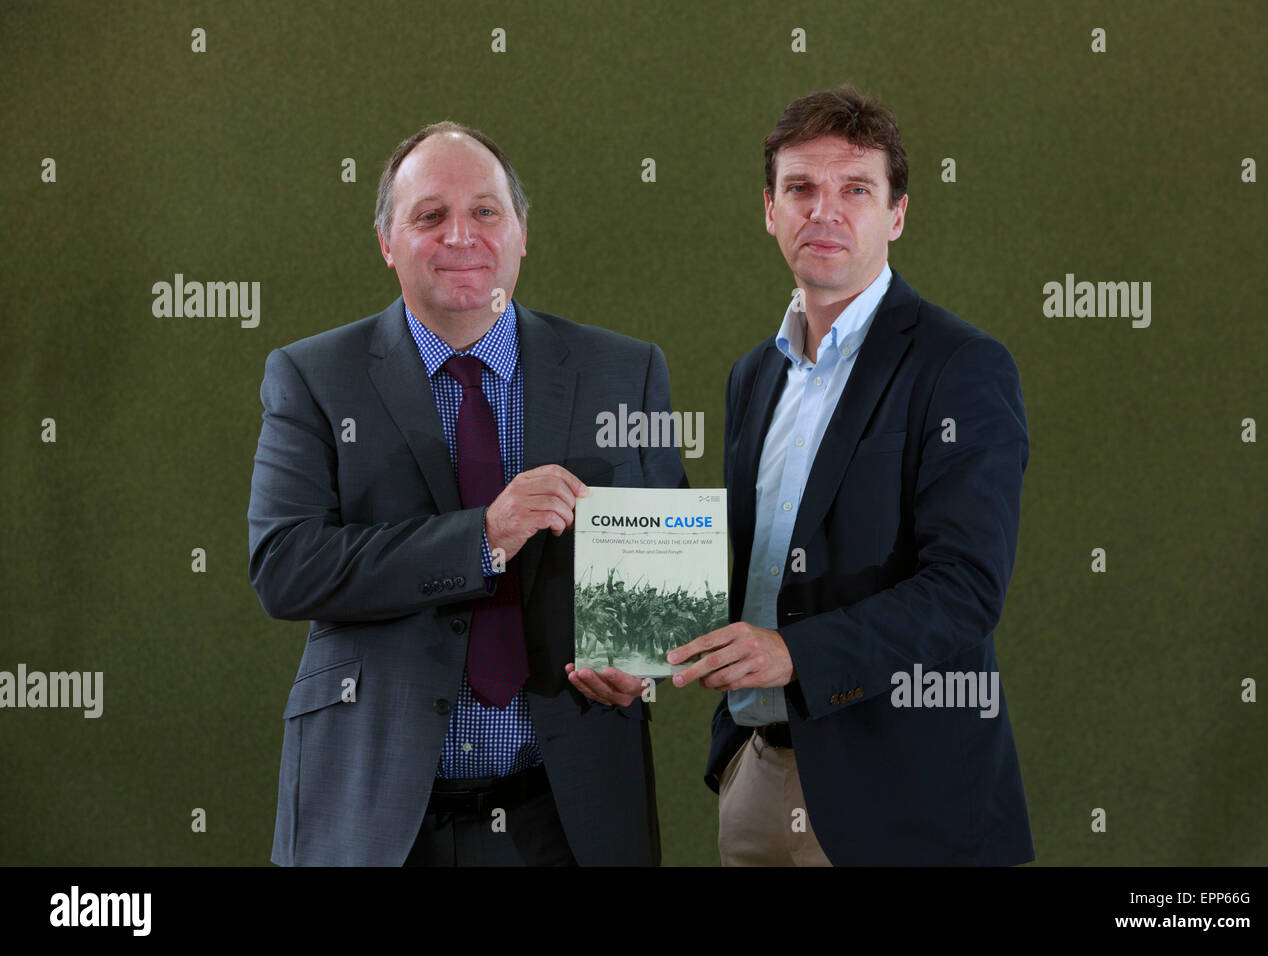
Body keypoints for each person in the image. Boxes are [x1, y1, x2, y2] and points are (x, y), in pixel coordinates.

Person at [248, 121, 685, 866]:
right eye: (429, 216)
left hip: (565, 815)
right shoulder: (314, 377)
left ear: (521, 234)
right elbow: (286, 566)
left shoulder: (624, 372)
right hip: (378, 821)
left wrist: (644, 664)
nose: (461, 235)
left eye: (486, 212)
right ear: (387, 242)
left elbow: (662, 575)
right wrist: (480, 535)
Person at [670, 85, 1035, 865]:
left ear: (896, 214)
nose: (823, 212)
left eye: (855, 189)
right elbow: (747, 566)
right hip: (758, 778)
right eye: (800, 188)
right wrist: (634, 642)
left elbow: (966, 589)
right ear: (770, 209)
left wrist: (797, 655)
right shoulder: (753, 377)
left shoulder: (961, 368)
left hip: (902, 800)